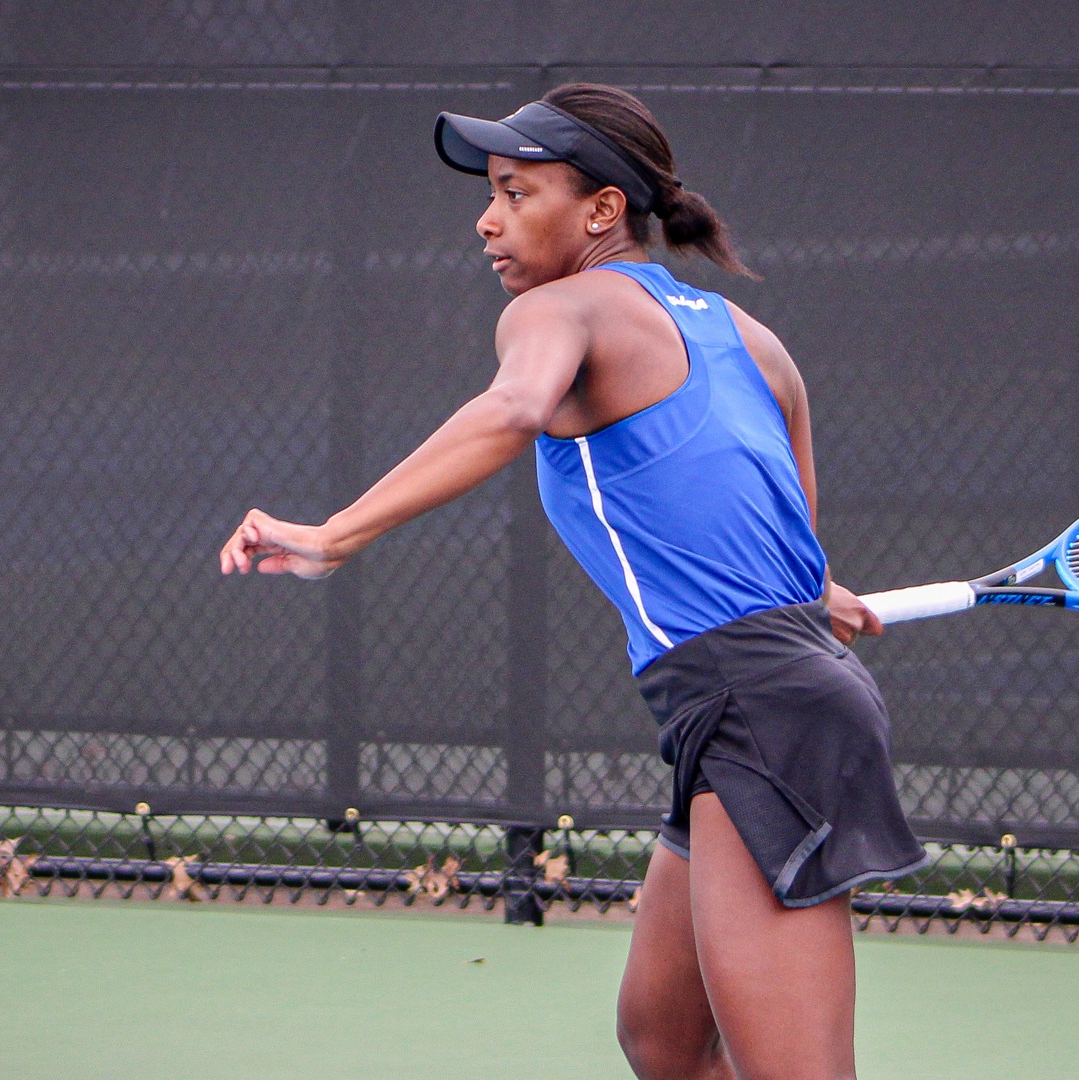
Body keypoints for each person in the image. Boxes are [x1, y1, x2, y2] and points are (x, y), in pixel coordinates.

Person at [220, 83, 927, 1080]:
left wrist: (338, 532)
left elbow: (514, 409)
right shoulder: (754, 343)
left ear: (601, 210)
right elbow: (790, 556)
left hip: (758, 709)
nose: (488, 217)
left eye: (515, 191)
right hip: (755, 696)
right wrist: (816, 594)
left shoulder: (558, 309)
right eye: (491, 195)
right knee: (666, 1041)